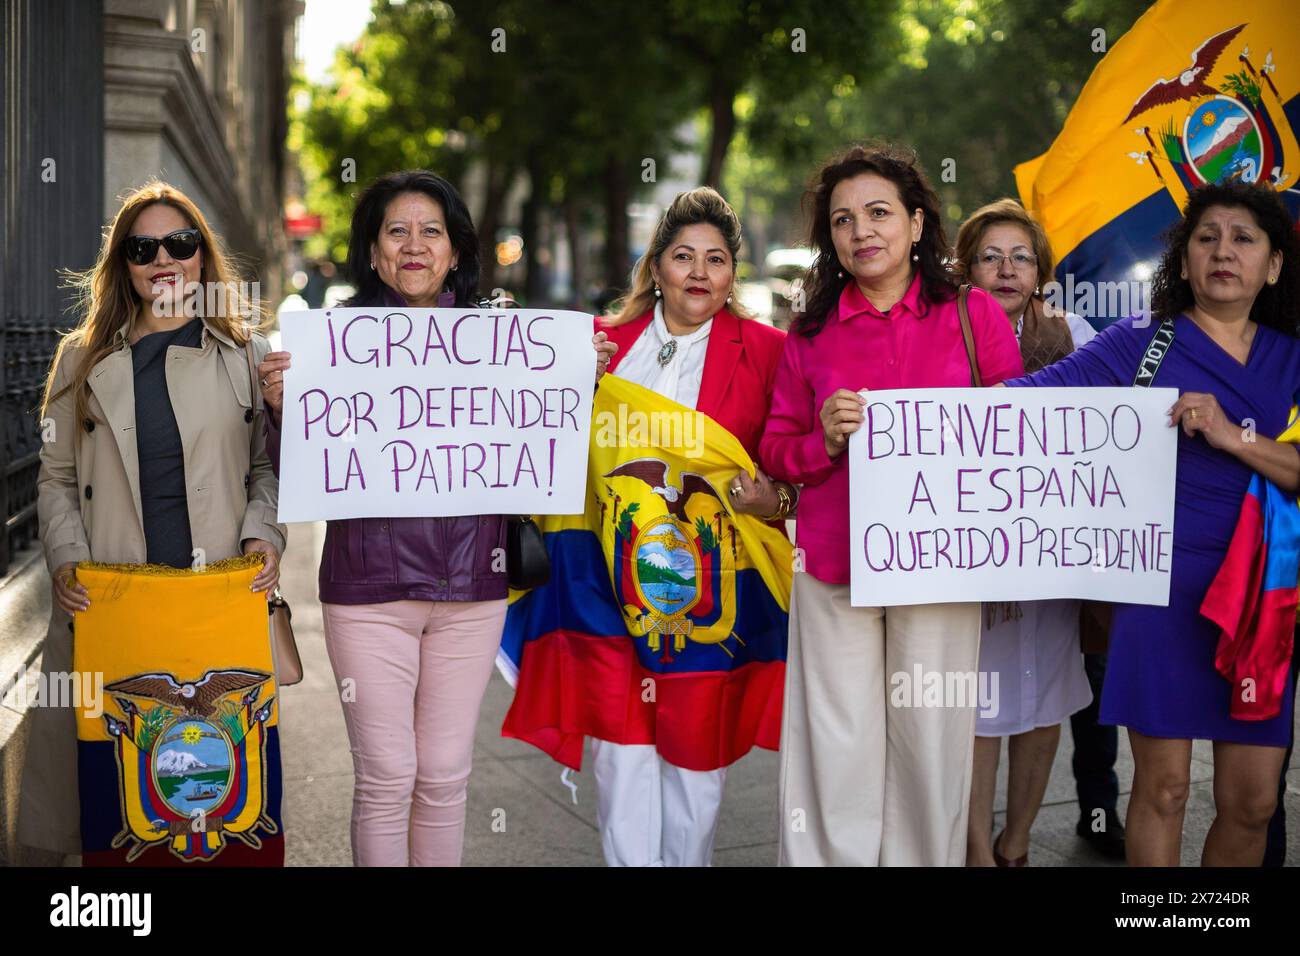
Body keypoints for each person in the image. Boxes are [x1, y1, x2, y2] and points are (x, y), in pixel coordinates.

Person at [256, 169, 614, 867]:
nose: (414, 245)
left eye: (432, 231)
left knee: (446, 779)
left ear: (455, 250)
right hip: (368, 593)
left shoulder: (504, 340)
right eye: (397, 231)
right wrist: (281, 410)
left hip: (472, 591)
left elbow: (537, 447)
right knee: (388, 779)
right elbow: (295, 470)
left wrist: (574, 378)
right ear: (373, 249)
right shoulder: (331, 345)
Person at [1001, 181, 1300, 866]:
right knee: (1162, 790)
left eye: (1244, 238)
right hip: (1160, 590)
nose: (1224, 250)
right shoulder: (1140, 342)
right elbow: (1019, 403)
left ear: (1274, 264)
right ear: (1183, 259)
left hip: (1263, 596)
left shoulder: (1293, 358)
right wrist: (894, 411)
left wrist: (1231, 436)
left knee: (1253, 802)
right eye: (1206, 237)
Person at [508, 186, 792, 866]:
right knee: (621, 753)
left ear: (733, 273)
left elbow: (793, 464)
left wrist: (775, 501)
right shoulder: (599, 346)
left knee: (696, 760)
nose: (699, 272)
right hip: (601, 579)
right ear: (655, 265)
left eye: (716, 259)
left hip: (709, 589)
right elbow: (534, 448)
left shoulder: (772, 352)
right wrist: (568, 385)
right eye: (683, 255)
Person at [761, 144, 1024, 866]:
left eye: (878, 213)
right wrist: (822, 441)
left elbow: (1019, 433)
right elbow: (776, 450)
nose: (860, 232)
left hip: (938, 567)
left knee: (929, 742)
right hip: (833, 565)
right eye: (842, 220)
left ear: (915, 223)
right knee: (833, 744)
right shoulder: (809, 332)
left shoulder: (974, 315)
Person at [21, 181, 283, 859]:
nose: (163, 257)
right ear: (124, 266)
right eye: (143, 247)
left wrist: (265, 531)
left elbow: (270, 468)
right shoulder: (81, 359)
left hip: (217, 604)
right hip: (113, 606)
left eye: (180, 242)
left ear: (202, 256)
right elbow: (55, 476)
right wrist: (65, 559)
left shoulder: (246, 358)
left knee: (217, 792)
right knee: (122, 800)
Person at [954, 199, 1097, 867]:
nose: (1008, 269)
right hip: (972, 557)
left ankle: (1016, 847)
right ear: (967, 267)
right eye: (991, 256)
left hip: (1052, 558)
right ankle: (978, 850)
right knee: (982, 704)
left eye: (1022, 256)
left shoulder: (1076, 332)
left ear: (1040, 268)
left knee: (1044, 698)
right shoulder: (942, 334)